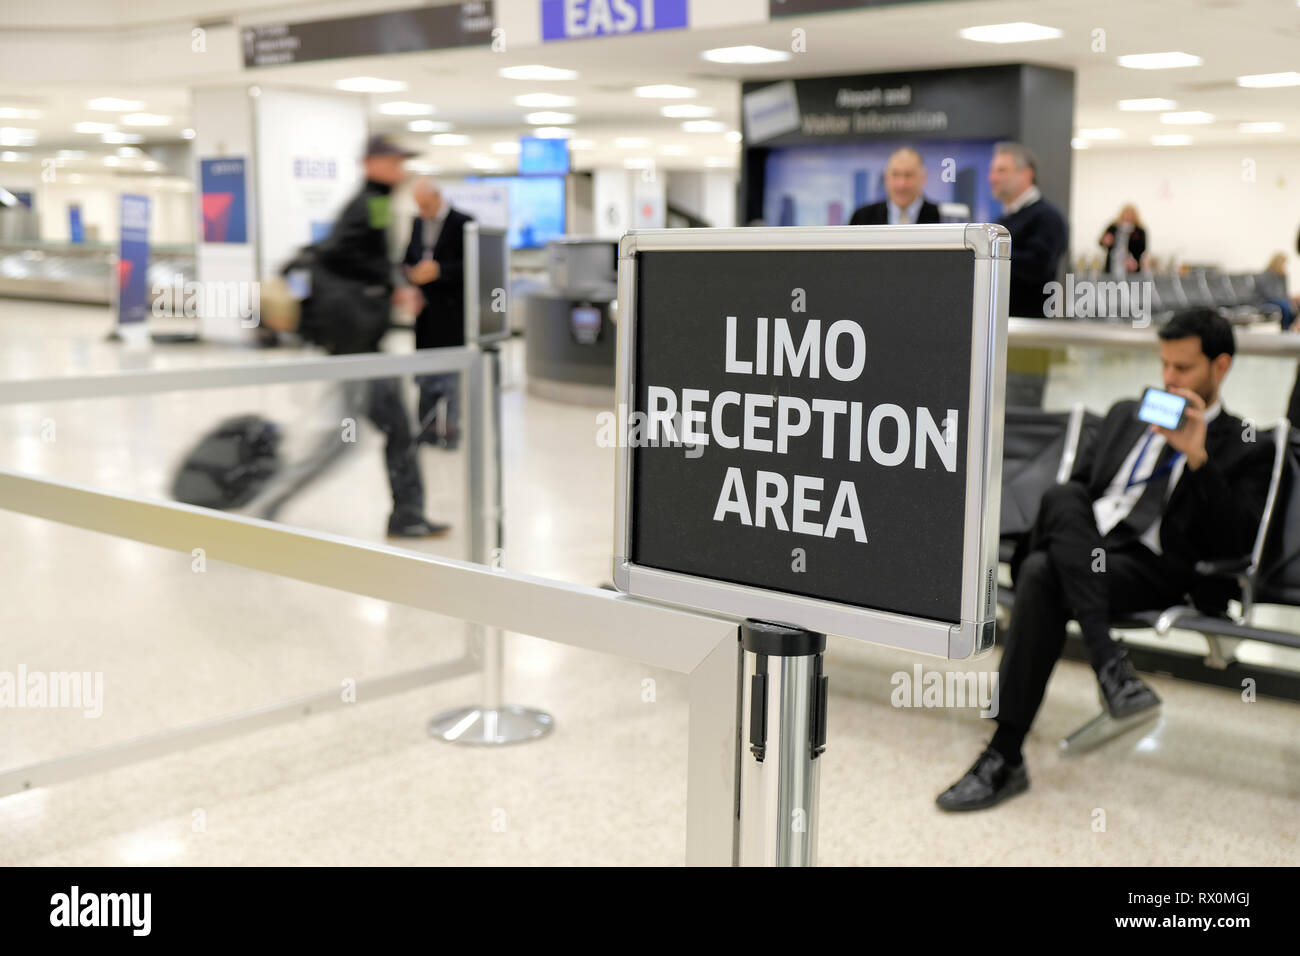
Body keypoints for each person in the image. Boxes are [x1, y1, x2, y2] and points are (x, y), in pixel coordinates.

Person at [936, 309, 1273, 811]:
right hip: (1087, 551)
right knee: (1059, 507)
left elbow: (1232, 543)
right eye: (1164, 365)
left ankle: (1005, 755)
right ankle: (1109, 666)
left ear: (1220, 367)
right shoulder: (1123, 415)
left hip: (1149, 569)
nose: (1168, 379)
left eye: (1183, 368)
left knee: (1041, 569)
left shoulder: (1246, 444)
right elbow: (1079, 494)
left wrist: (1198, 460)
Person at [260, 134, 450, 539]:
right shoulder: (371, 201)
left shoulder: (373, 200)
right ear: (371, 163)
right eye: (394, 161)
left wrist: (394, 281)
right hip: (358, 345)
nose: (401, 169)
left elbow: (366, 256)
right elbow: (358, 256)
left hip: (359, 342)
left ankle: (405, 514)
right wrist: (394, 283)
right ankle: (265, 501)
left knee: (357, 435)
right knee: (371, 434)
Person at [403, 178, 473, 448]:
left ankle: (451, 429)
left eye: (426, 204)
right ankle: (427, 429)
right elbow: (408, 256)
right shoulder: (418, 223)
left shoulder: (464, 223)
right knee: (425, 374)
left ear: (438, 197)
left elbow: (470, 266)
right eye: (418, 206)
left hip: (453, 314)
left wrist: (440, 271)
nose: (423, 210)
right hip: (425, 313)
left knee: (451, 377)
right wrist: (411, 274)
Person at [990, 141, 1068, 318]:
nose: (993, 178)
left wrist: (990, 258)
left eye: (1001, 170)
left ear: (1026, 174)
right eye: (993, 171)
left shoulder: (1047, 218)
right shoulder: (1003, 219)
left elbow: (1037, 267)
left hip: (1029, 329)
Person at [848, 147, 941, 225]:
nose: (901, 184)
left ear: (923, 178)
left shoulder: (942, 218)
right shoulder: (862, 218)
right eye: (895, 175)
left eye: (908, 175)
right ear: (886, 178)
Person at [1099, 204, 1147, 277]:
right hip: (1112, 266)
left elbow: (1143, 248)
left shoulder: (1139, 230)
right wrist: (1105, 241)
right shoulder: (1113, 228)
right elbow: (1101, 242)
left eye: (1131, 214)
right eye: (1126, 213)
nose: (1128, 216)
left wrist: (1134, 261)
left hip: (1132, 268)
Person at [1257, 253, 1295, 331]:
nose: (1284, 267)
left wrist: (1290, 299)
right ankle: (1285, 329)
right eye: (1283, 264)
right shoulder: (1266, 275)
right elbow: (1268, 294)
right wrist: (1284, 299)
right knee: (1285, 305)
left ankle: (1290, 328)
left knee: (1293, 304)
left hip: (1281, 299)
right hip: (1267, 300)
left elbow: (1285, 292)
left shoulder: (1283, 276)